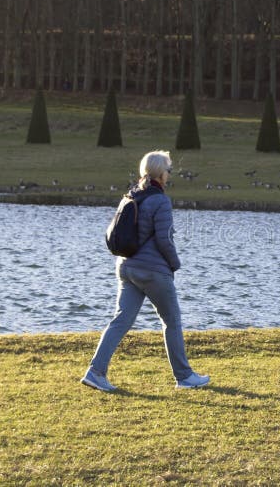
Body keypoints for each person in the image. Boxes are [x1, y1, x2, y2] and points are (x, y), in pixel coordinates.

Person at [81, 150, 210, 392]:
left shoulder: (130, 195)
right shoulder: (160, 200)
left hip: (125, 267)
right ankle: (184, 377)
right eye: (168, 170)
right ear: (160, 173)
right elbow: (164, 239)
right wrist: (175, 264)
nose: (169, 175)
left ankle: (95, 372)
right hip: (152, 271)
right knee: (171, 320)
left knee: (120, 320)